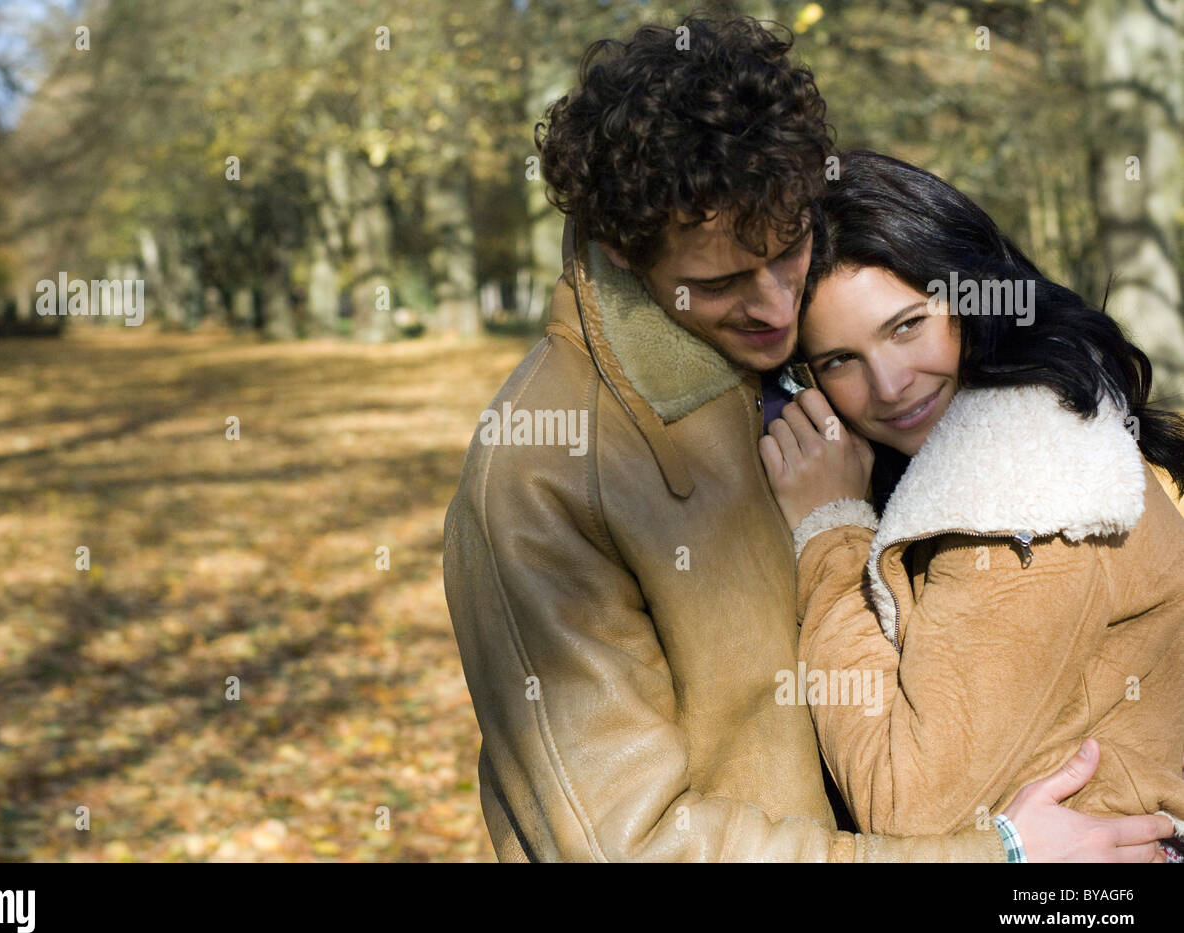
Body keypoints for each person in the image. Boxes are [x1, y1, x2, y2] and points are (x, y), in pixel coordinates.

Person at [442, 15, 1175, 861]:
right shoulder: (542, 474)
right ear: (625, 252)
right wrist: (995, 855)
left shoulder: (842, 374)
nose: (774, 304)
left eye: (789, 249)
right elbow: (625, 845)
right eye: (722, 281)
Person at [760, 149, 1184, 858]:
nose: (889, 385)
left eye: (906, 326)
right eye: (839, 360)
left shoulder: (1021, 480)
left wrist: (829, 530)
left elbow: (906, 806)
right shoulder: (997, 438)